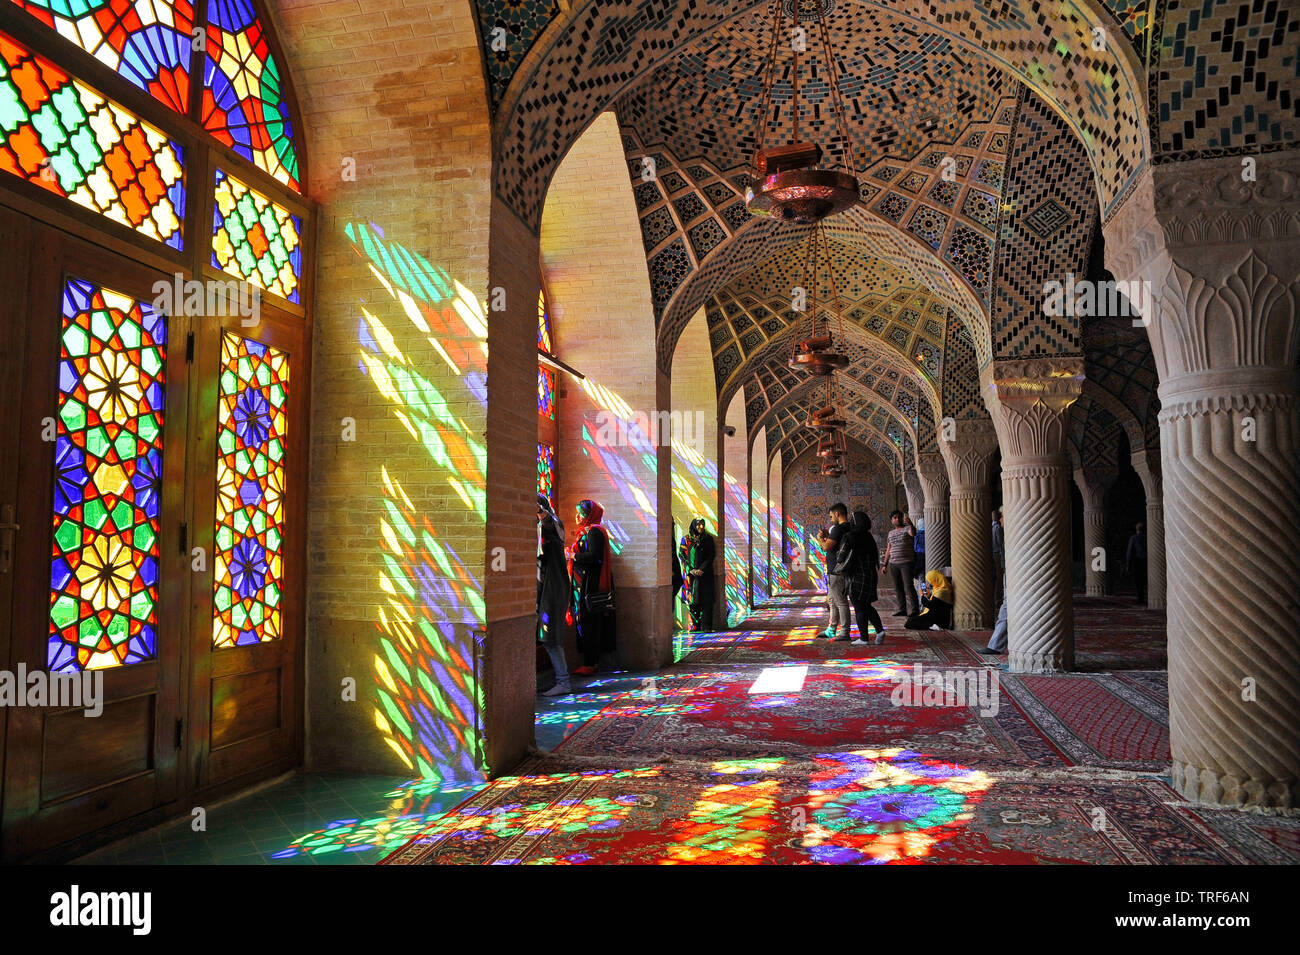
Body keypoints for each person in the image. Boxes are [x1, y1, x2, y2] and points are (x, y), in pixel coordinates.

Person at [567, 499, 615, 676]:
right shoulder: (587, 532)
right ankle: (588, 661)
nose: (576, 516)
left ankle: (590, 663)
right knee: (585, 622)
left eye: (580, 513)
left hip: (591, 585)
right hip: (584, 583)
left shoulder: (595, 532)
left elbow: (595, 557)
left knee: (590, 623)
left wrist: (573, 556)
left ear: (588, 515)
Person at [536, 495, 572, 696]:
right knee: (545, 636)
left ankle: (563, 682)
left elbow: (549, 522)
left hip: (553, 589)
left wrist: (541, 512)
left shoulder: (553, 524)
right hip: (544, 589)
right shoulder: (541, 530)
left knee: (550, 637)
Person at [836, 510, 885, 645]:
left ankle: (864, 638)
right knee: (866, 605)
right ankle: (880, 631)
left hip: (856, 577)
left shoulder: (850, 536)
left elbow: (841, 557)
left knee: (859, 607)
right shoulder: (869, 537)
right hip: (870, 575)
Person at [815, 503, 852, 640]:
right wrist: (827, 537)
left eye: (831, 516)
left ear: (837, 514)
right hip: (841, 569)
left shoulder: (838, 528)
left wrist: (820, 539)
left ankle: (845, 632)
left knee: (841, 602)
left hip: (836, 571)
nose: (831, 519)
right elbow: (834, 546)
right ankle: (832, 629)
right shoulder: (850, 527)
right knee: (832, 600)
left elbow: (826, 547)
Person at [679, 518, 716, 631]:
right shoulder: (686, 539)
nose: (700, 527)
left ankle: (706, 626)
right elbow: (682, 555)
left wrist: (701, 569)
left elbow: (711, 555)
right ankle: (695, 625)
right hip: (691, 576)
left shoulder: (708, 539)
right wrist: (690, 570)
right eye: (698, 525)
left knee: (706, 600)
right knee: (693, 600)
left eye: (702, 525)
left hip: (705, 575)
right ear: (694, 525)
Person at [880, 509, 919, 617]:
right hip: (894, 563)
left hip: (906, 562)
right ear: (892, 520)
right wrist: (885, 564)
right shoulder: (890, 533)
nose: (898, 519)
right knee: (898, 587)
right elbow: (889, 549)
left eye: (899, 517)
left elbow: (913, 534)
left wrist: (910, 523)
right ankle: (902, 609)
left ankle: (915, 610)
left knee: (909, 586)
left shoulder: (907, 529)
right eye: (895, 517)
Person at [1126, 521, 1147, 605]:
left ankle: (1140, 598)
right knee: (1144, 580)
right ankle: (1142, 597)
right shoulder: (1146, 537)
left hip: (1137, 562)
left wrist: (1128, 564)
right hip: (1146, 561)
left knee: (1138, 581)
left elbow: (1129, 552)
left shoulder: (1134, 538)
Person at [991, 508, 1005, 608]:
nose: (1000, 519)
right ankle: (998, 600)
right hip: (998, 555)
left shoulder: (992, 527)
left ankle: (997, 599)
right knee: (1000, 578)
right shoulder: (997, 528)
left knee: (998, 579)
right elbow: (1000, 544)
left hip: (995, 554)